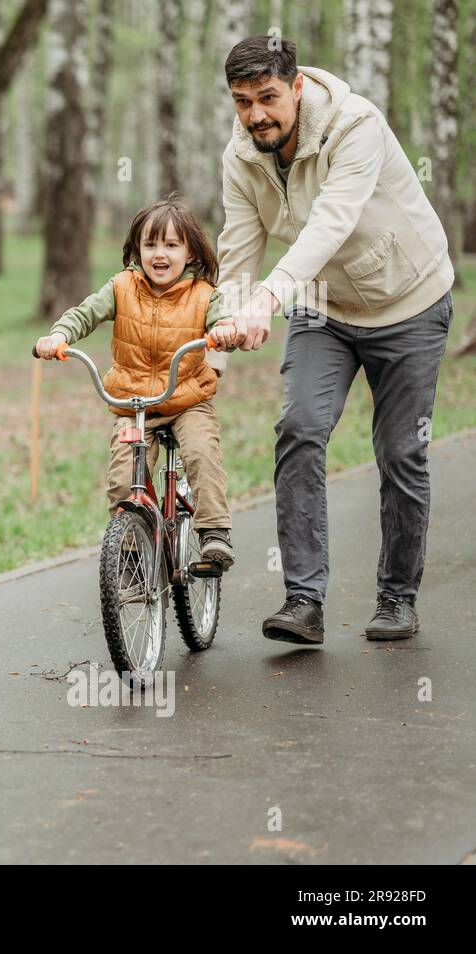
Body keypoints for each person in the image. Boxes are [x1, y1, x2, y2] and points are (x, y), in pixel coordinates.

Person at [215, 37, 453, 644]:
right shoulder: (241, 156)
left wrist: (268, 299)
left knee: (401, 452)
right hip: (322, 306)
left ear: (297, 87)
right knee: (299, 429)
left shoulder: (355, 125)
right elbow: (237, 253)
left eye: (267, 97)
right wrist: (211, 358)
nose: (255, 115)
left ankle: (397, 597)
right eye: (242, 101)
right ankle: (304, 600)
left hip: (409, 301)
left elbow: (330, 223)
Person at [34, 194, 238, 568]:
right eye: (151, 244)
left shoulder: (205, 295)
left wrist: (225, 330)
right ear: (137, 249)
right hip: (134, 403)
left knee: (200, 451)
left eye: (171, 245)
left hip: (187, 398)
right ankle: (131, 552)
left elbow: (222, 320)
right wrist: (59, 335)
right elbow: (84, 314)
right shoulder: (121, 287)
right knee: (123, 476)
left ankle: (214, 532)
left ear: (190, 252)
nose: (160, 254)